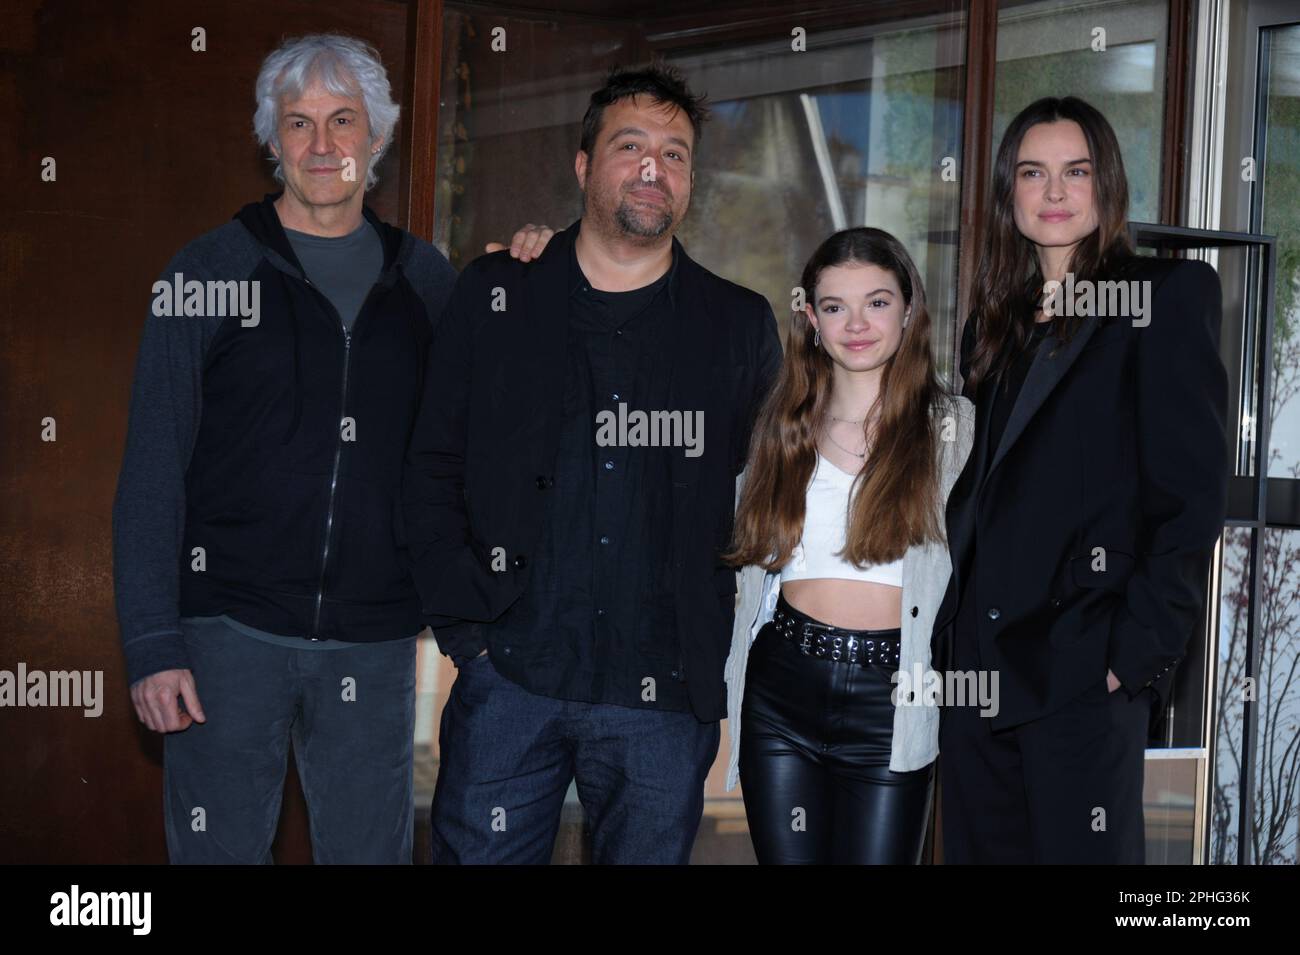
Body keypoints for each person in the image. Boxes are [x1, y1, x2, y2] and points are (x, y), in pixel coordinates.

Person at [112, 32, 552, 864]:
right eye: (299, 123)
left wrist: (527, 273)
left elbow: (493, 427)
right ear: (271, 139)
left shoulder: (428, 280)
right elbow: (150, 471)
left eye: (342, 120)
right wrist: (152, 644)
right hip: (223, 635)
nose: (321, 146)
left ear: (377, 137)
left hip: (374, 641)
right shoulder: (205, 270)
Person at [403, 63, 782, 864]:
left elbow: (761, 495)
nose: (654, 168)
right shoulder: (498, 293)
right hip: (511, 673)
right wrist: (465, 629)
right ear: (583, 166)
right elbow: (431, 463)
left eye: (675, 154)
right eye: (630, 146)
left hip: (663, 697)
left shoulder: (738, 325)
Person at [932, 96, 1229, 863]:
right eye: (1034, 173)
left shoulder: (1165, 296)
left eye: (1076, 172)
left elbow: (1189, 500)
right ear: (1010, 192)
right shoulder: (993, 323)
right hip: (975, 674)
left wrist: (1130, 659)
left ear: (1106, 186)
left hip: (1080, 667)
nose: (1055, 193)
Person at [724, 228, 974, 864]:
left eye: (878, 302)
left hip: (893, 700)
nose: (856, 323)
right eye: (834, 306)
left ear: (910, 309)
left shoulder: (955, 429)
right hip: (780, 692)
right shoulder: (777, 427)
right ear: (810, 317)